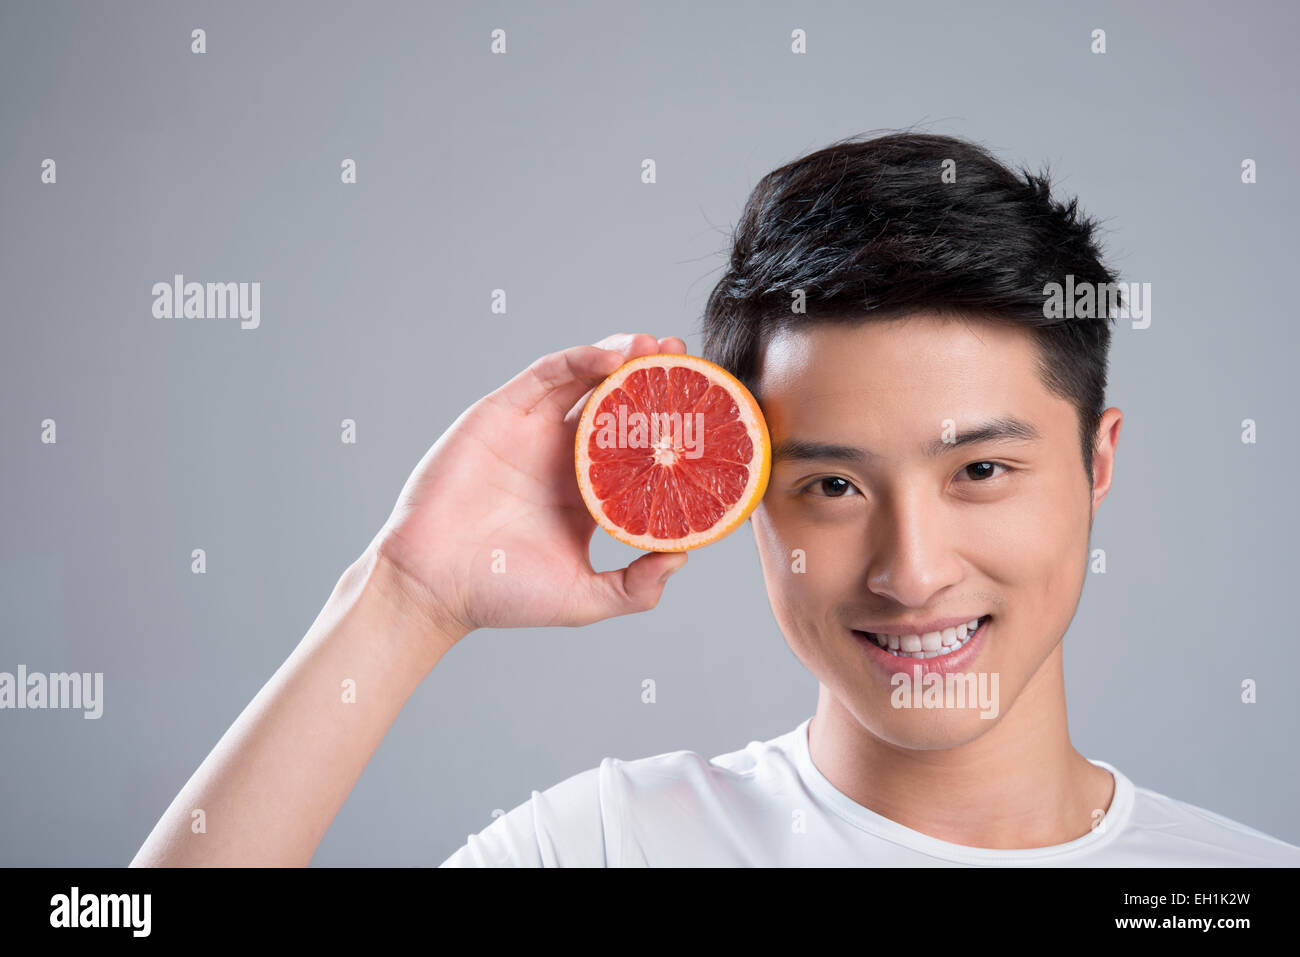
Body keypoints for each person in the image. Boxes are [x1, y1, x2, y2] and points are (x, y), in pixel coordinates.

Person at [131, 132, 1300, 867]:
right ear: (742, 497)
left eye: (980, 472)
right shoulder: (607, 847)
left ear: (1097, 464)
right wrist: (400, 600)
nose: (910, 569)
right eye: (831, 485)